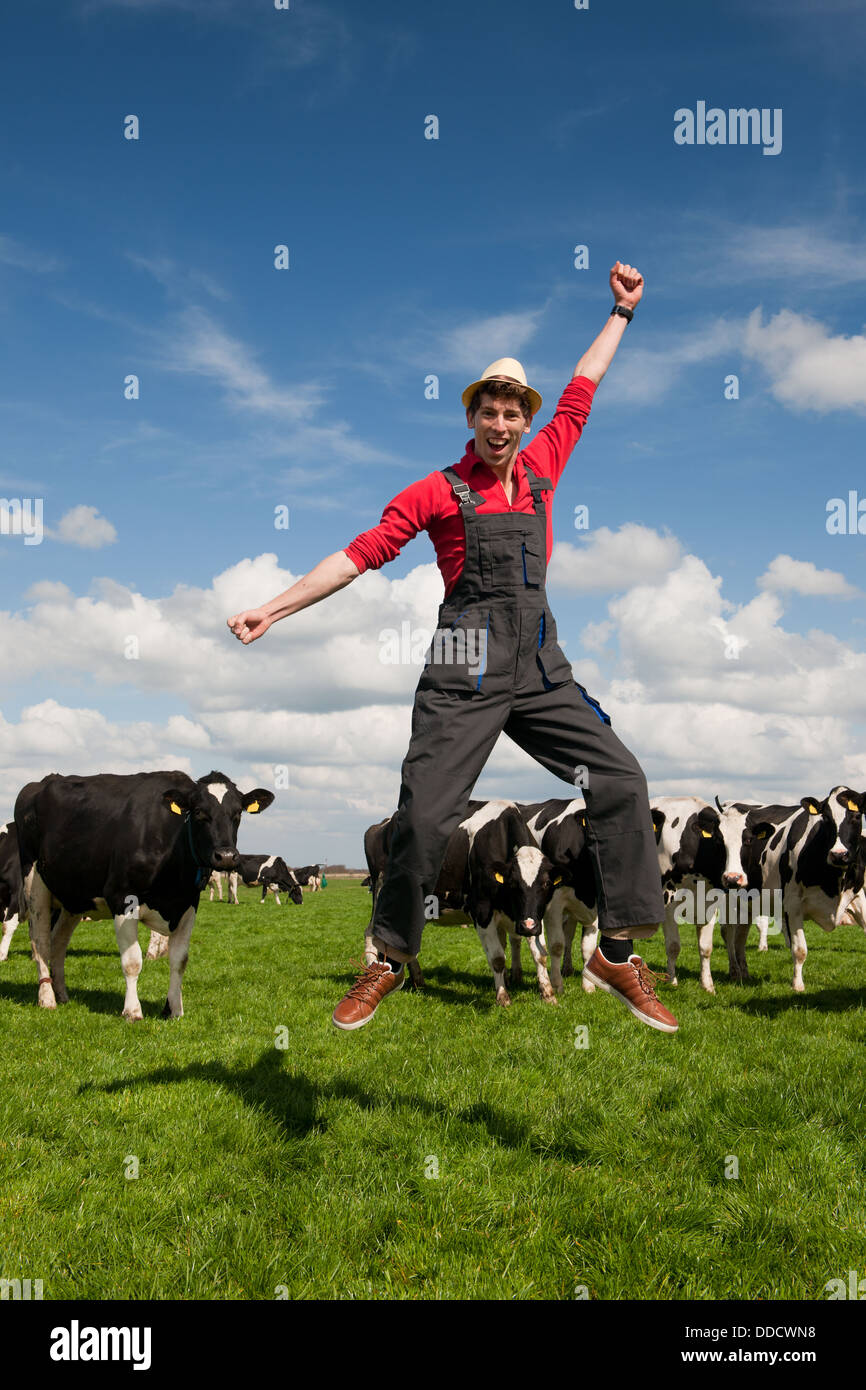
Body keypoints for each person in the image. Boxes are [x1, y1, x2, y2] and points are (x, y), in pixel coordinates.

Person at [228, 261, 676, 1036]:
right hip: (463, 663)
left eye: (513, 412)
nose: (502, 424)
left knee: (623, 781)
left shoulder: (544, 466)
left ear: (525, 421)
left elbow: (584, 384)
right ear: (472, 418)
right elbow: (360, 553)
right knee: (424, 817)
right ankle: (392, 957)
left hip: (539, 665)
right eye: (489, 412)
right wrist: (274, 608)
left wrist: (621, 313)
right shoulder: (437, 489)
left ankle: (617, 951)